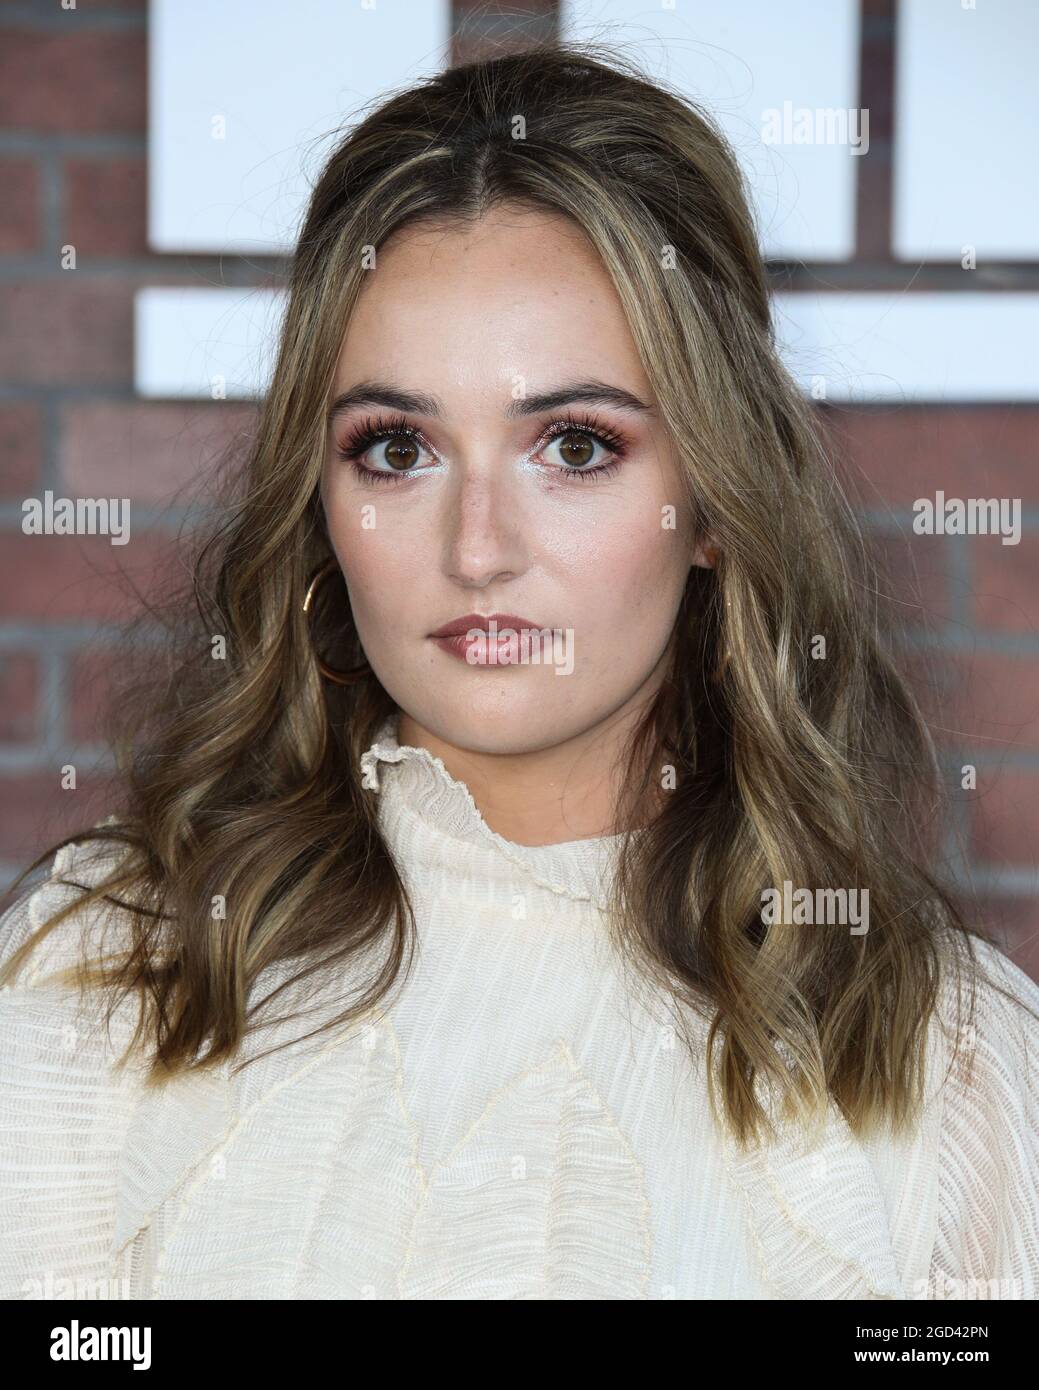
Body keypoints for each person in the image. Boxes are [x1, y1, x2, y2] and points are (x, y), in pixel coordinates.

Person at [1, 43, 1036, 1302]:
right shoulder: (102, 977)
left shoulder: (953, 1059)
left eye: (576, 445)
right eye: (394, 448)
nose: (477, 550)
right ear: (317, 498)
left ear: (712, 500)